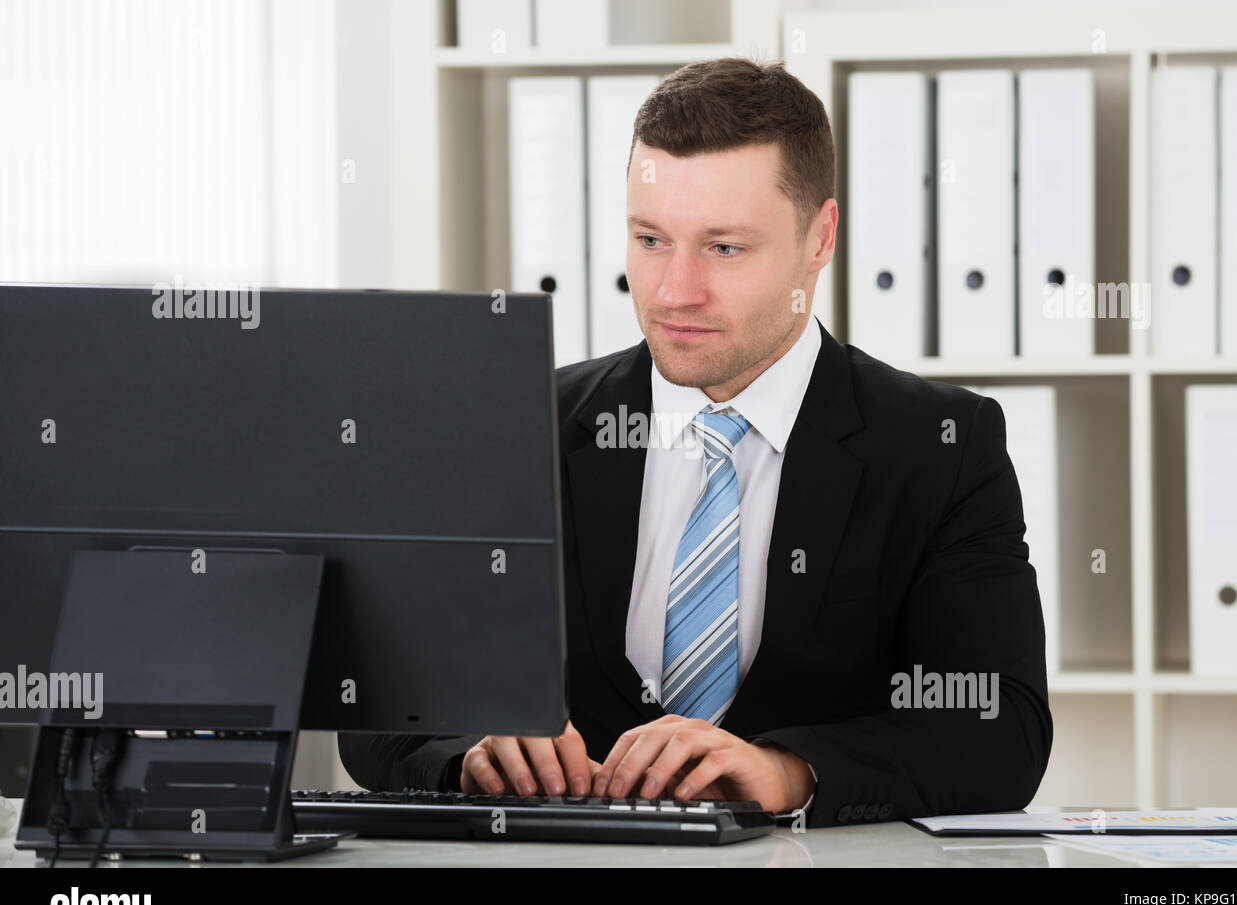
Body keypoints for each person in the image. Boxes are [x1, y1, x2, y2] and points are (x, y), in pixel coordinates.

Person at [339, 57, 1052, 827]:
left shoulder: (941, 447)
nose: (675, 291)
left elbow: (999, 726)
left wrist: (789, 772)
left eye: (723, 248)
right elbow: (374, 703)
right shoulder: (521, 425)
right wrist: (467, 752)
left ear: (820, 237)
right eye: (651, 239)